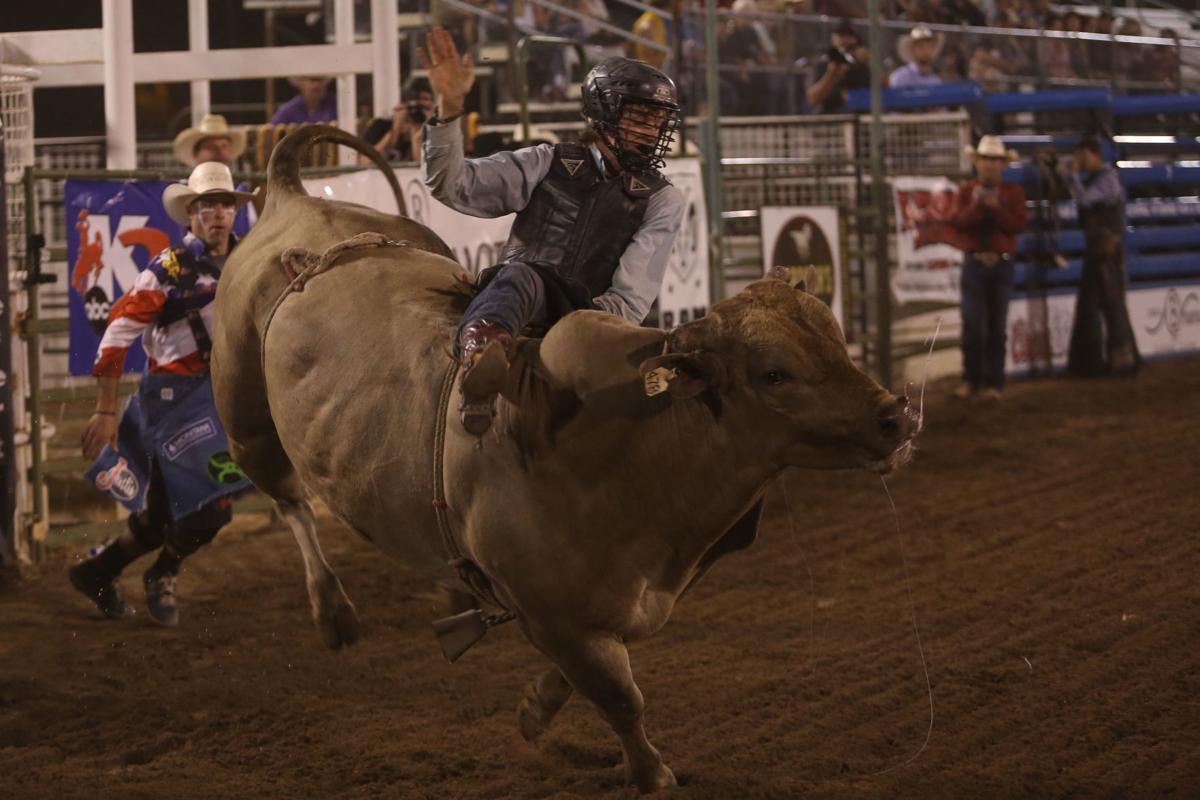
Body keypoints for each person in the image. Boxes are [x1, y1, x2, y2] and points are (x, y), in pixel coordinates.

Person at [418, 27, 685, 435]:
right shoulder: (547, 162)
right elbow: (453, 184)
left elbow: (629, 303)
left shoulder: (662, 200)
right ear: (606, 112)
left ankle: (483, 345)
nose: (651, 131)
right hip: (518, 294)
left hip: (591, 318)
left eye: (658, 120)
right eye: (640, 117)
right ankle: (479, 363)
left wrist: (577, 337)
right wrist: (450, 107)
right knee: (520, 275)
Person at [69, 162, 254, 626]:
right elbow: (116, 333)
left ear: (234, 212)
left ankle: (97, 570)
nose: (217, 214)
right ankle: (163, 571)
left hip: (216, 396)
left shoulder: (249, 263)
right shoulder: (167, 270)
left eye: (225, 204)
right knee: (210, 509)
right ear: (191, 214)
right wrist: (106, 410)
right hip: (171, 401)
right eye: (207, 205)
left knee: (158, 517)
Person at [1040, 135, 1140, 377]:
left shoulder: (1107, 180)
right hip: (1099, 250)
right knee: (1097, 304)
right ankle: (1096, 360)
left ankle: (1118, 358)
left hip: (1106, 252)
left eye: (1080, 155)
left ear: (1092, 153)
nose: (1077, 160)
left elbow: (1084, 199)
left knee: (1109, 303)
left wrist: (1069, 175)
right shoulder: (1100, 179)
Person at [950, 136, 1029, 400]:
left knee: (996, 326)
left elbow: (1017, 225)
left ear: (1001, 165)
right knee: (973, 325)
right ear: (978, 163)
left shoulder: (1013, 193)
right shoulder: (966, 191)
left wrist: (995, 210)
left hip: (1000, 264)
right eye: (986, 160)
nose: (990, 165)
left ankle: (992, 383)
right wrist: (979, 205)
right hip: (975, 263)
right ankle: (972, 379)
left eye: (994, 160)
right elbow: (959, 222)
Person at [173, 113, 257, 235]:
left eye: (224, 146)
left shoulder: (242, 191)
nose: (219, 150)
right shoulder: (181, 191)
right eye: (210, 147)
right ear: (195, 155)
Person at [361, 77, 436, 164]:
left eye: (424, 105)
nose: (418, 110)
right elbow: (365, 162)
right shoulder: (381, 125)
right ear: (403, 104)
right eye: (413, 105)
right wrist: (395, 129)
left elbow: (425, 168)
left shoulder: (434, 131)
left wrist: (423, 131)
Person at [806, 20, 870, 114]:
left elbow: (886, 88)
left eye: (849, 36)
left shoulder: (862, 63)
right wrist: (831, 74)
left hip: (860, 114)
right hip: (831, 117)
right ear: (833, 38)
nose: (845, 40)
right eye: (841, 35)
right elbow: (813, 100)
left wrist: (870, 62)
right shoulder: (823, 63)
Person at [271, 76, 337, 125]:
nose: (317, 85)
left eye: (320, 80)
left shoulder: (336, 105)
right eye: (312, 80)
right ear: (300, 84)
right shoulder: (287, 111)